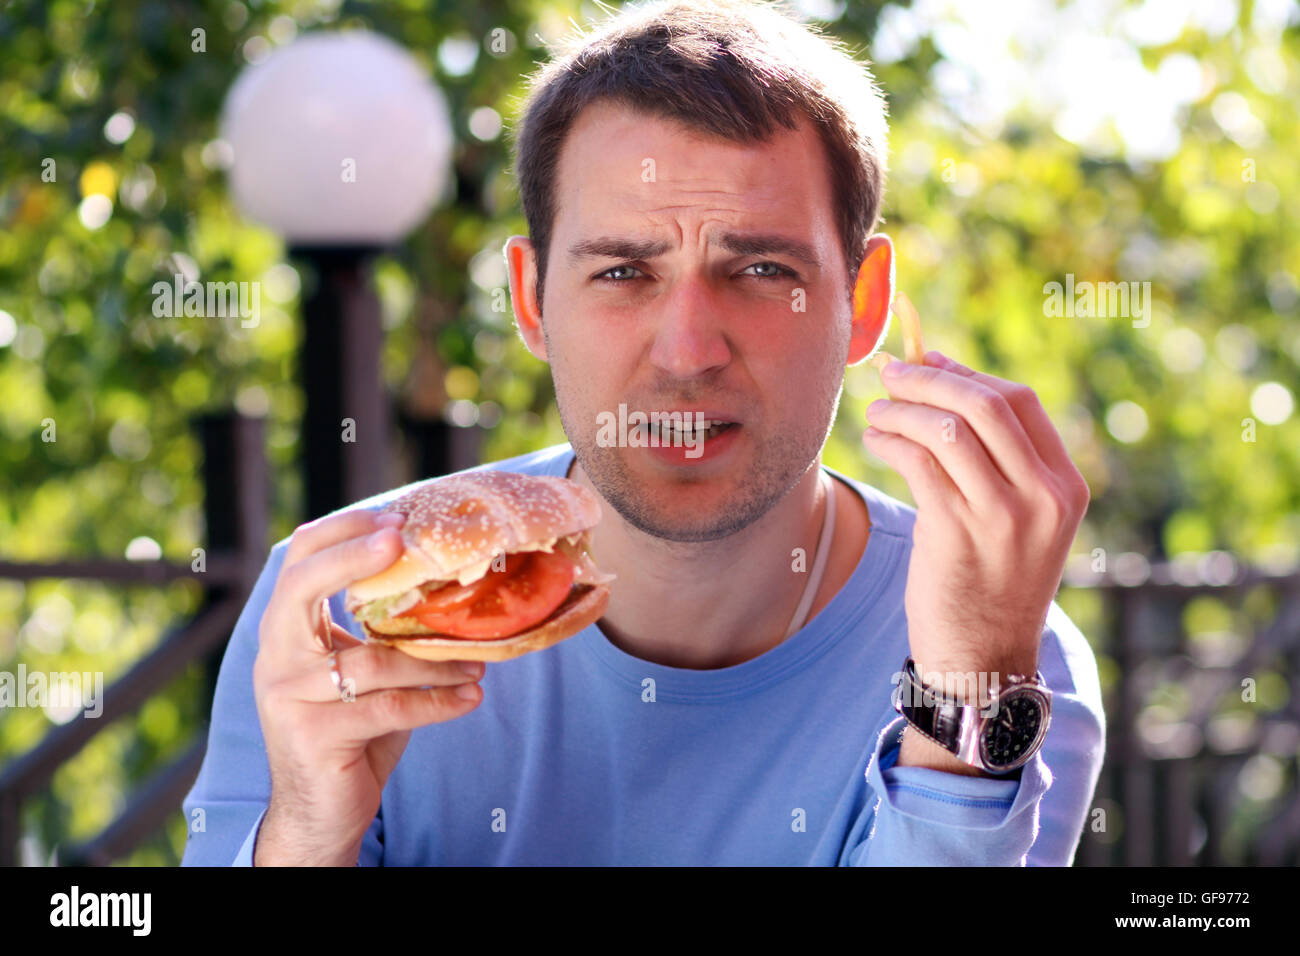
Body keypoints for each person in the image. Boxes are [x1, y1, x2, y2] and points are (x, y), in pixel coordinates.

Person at [182, 0, 1104, 866]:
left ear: (862, 305)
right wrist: (306, 834)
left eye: (760, 268)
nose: (689, 350)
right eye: (625, 271)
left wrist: (961, 707)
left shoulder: (1003, 655)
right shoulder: (340, 610)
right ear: (531, 300)